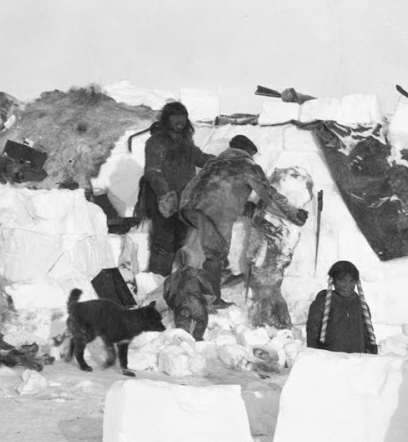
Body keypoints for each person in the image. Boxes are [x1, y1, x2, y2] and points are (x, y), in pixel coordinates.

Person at [179, 135, 308, 301]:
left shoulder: (215, 162)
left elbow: (222, 190)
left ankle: (213, 279)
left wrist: (248, 209)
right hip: (213, 212)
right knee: (215, 253)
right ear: (248, 152)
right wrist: (294, 213)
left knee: (208, 251)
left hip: (188, 207)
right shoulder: (247, 165)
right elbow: (269, 196)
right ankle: (212, 298)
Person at [139, 101, 207, 276]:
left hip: (184, 201)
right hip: (163, 202)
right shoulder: (156, 142)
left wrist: (224, 160)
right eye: (175, 118)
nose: (180, 122)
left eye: (183, 117)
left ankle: (177, 284)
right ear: (167, 119)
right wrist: (166, 196)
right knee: (163, 243)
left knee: (181, 242)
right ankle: (158, 285)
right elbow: (153, 171)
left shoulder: (185, 142)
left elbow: (200, 158)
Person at [304, 260, 377, 354]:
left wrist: (371, 354)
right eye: (342, 281)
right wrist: (314, 356)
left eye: (351, 281)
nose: (347, 286)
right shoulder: (322, 304)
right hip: (331, 360)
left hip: (357, 362)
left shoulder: (360, 305)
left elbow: (367, 335)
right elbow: (312, 334)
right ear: (333, 281)